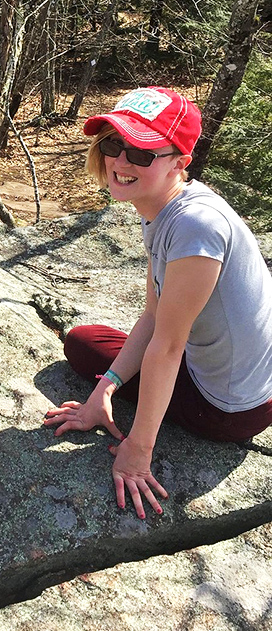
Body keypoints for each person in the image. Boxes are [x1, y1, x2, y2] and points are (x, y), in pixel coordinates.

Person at [43, 87, 272, 520]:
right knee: (91, 343)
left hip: (229, 410)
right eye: (114, 144)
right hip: (240, 377)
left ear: (180, 164)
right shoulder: (164, 208)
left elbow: (167, 347)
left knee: (83, 345)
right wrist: (104, 390)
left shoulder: (193, 227)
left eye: (143, 154)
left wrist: (137, 449)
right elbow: (153, 312)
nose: (121, 162)